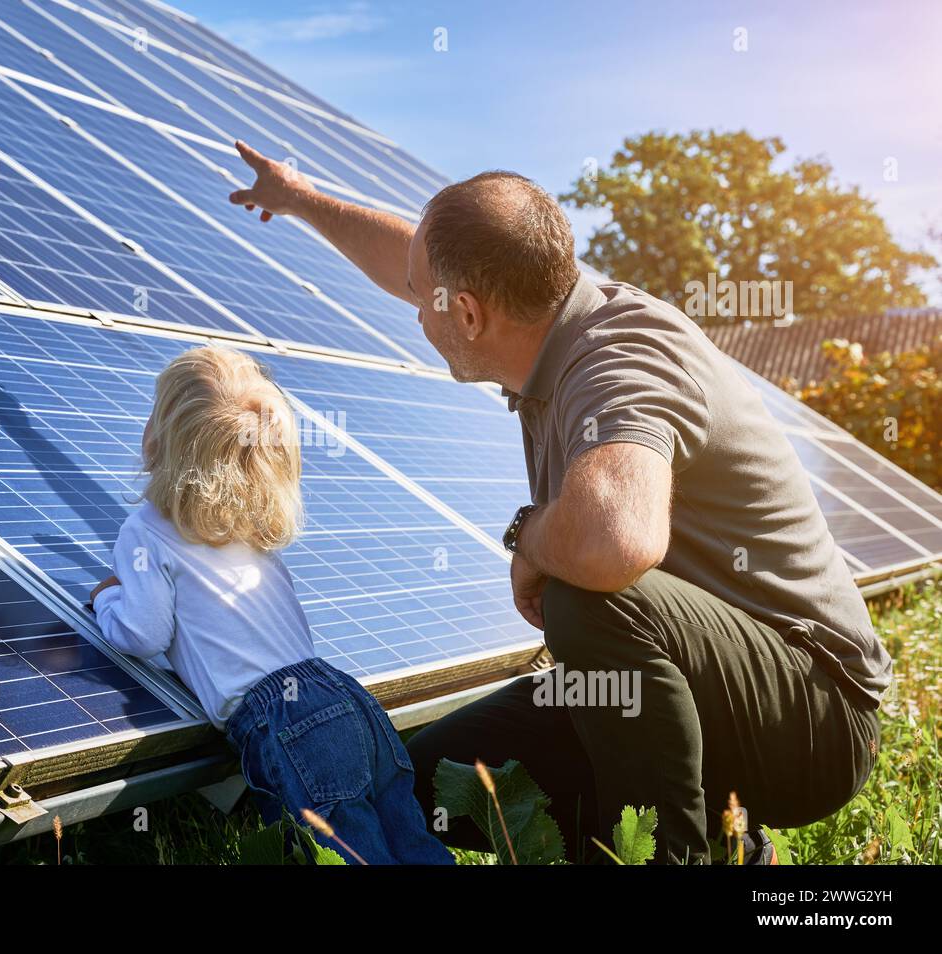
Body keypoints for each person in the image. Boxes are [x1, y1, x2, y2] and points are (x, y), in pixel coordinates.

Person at [227, 141, 889, 864]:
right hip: (698, 688)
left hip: (814, 719)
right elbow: (415, 262)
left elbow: (614, 545)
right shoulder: (544, 309)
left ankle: (674, 859)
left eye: (429, 301)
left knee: (593, 598)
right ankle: (731, 851)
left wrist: (530, 539)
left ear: (471, 315)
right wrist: (298, 197)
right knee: (432, 785)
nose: (418, 312)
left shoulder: (617, 362)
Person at [89, 345, 453, 865]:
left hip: (283, 721)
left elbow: (143, 633)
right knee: (413, 845)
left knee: (342, 856)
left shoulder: (146, 529)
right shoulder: (252, 536)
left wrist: (108, 601)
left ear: (159, 439)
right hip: (346, 699)